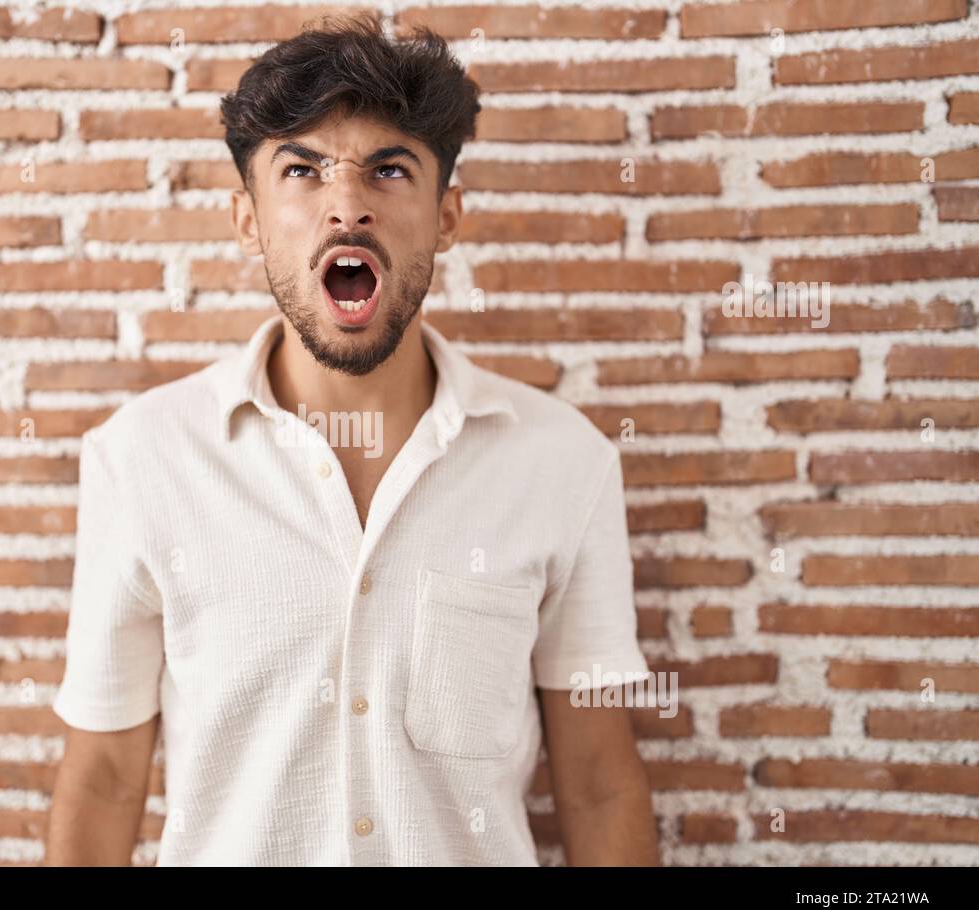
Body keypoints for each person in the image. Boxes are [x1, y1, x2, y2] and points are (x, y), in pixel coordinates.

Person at [44, 13, 659, 866]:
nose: (347, 205)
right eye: (301, 170)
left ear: (447, 216)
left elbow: (596, 782)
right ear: (249, 220)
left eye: (389, 169)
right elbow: (105, 780)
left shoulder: (564, 465)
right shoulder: (140, 460)